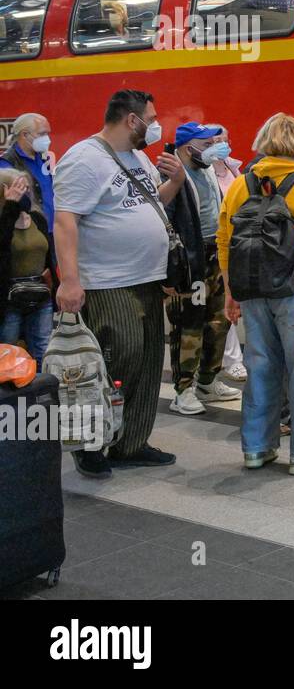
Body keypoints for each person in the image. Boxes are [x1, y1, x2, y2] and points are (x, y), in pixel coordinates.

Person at [54, 89, 184, 479]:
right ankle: (89, 445)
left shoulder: (138, 156)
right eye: (152, 117)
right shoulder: (84, 159)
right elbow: (65, 222)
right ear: (132, 119)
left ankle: (129, 444)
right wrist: (70, 281)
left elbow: (148, 203)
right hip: (108, 283)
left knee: (146, 364)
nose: (156, 125)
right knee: (113, 362)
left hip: (146, 279)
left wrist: (175, 182)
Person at [219, 113, 294, 475]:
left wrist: (230, 292)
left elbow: (225, 240)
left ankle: (257, 448)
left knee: (259, 364)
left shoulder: (241, 185)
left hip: (252, 289)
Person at [165, 122, 240, 415]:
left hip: (214, 256)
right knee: (189, 326)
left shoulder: (208, 171)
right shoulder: (171, 177)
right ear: (188, 148)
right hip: (189, 262)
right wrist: (170, 273)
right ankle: (184, 389)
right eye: (207, 144)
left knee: (219, 321)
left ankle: (208, 381)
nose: (213, 149)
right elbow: (166, 224)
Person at [0, 168, 54, 366]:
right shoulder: (4, 220)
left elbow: (49, 256)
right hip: (9, 298)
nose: (25, 193)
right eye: (19, 188)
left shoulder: (36, 218)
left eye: (27, 188)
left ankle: (38, 396)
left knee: (42, 351)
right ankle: (12, 399)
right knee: (8, 354)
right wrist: (10, 208)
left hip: (39, 295)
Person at [206, 126, 246, 382]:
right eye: (215, 140)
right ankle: (231, 359)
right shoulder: (204, 171)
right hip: (217, 244)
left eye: (224, 139)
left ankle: (231, 358)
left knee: (234, 300)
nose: (221, 144)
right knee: (223, 303)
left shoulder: (234, 168)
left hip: (239, 243)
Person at [0, 112, 55, 249]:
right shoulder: (7, 163)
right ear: (24, 135)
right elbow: (11, 203)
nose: (47, 139)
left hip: (49, 232)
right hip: (28, 238)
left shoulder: (41, 158)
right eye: (42, 134)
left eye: (48, 133)